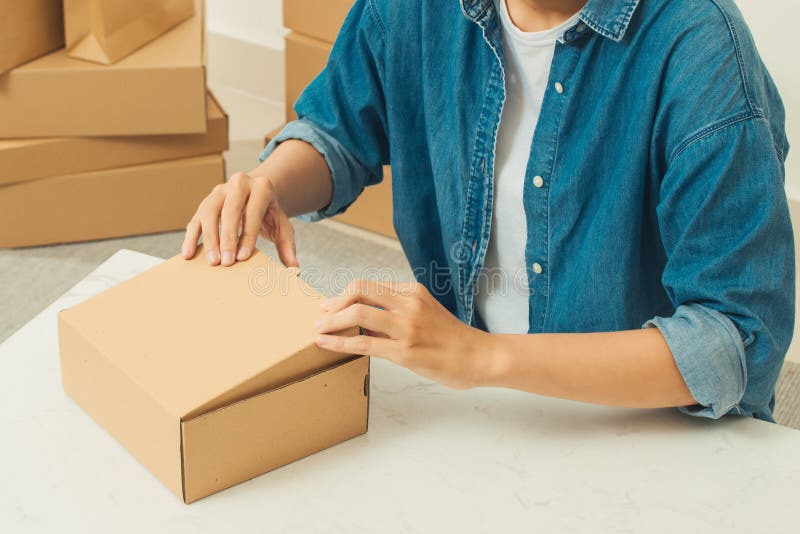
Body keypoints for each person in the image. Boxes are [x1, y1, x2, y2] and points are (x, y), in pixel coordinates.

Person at [181, 0, 794, 422]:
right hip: (471, 396)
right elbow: (339, 129)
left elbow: (730, 341)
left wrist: (479, 356)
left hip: (635, 417)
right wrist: (266, 184)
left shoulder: (702, 47)